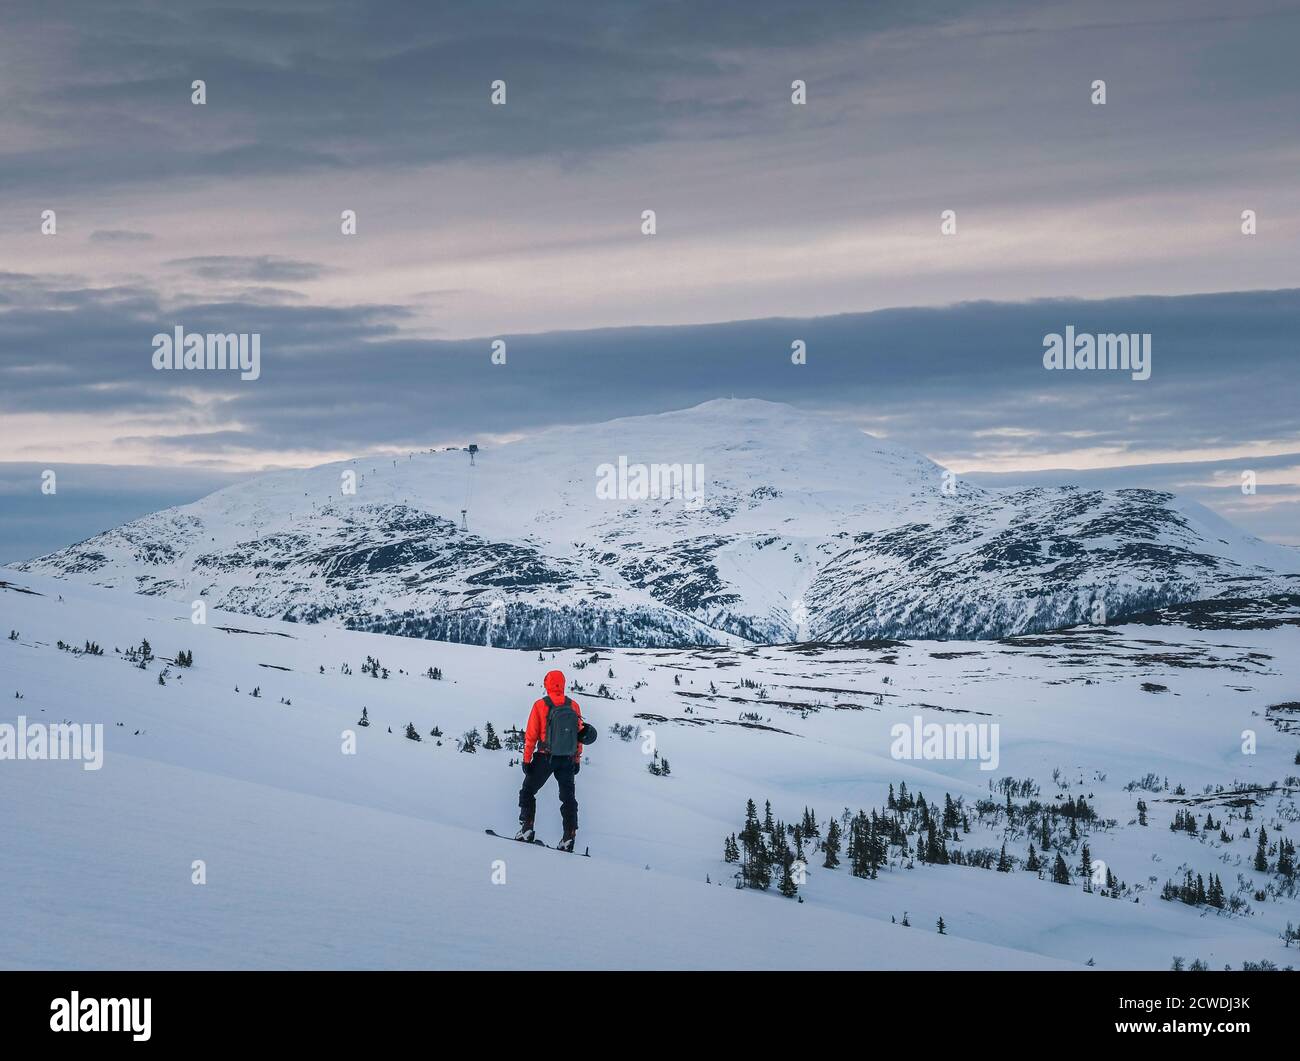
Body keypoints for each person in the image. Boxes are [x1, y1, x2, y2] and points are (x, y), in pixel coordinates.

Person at [516, 669, 585, 851]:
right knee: (568, 798)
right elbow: (579, 736)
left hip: (545, 757)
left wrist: (526, 759)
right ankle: (569, 836)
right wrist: (576, 759)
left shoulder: (540, 705)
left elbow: (531, 735)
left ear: (547, 684)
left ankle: (527, 829)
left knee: (528, 790)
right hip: (567, 759)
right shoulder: (574, 706)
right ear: (563, 684)